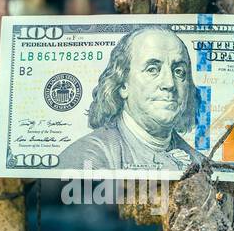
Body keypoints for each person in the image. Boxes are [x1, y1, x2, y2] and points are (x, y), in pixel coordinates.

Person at [57, 27, 202, 171]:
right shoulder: (87, 158)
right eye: (152, 69)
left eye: (179, 71)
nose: (169, 83)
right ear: (123, 85)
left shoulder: (202, 164)